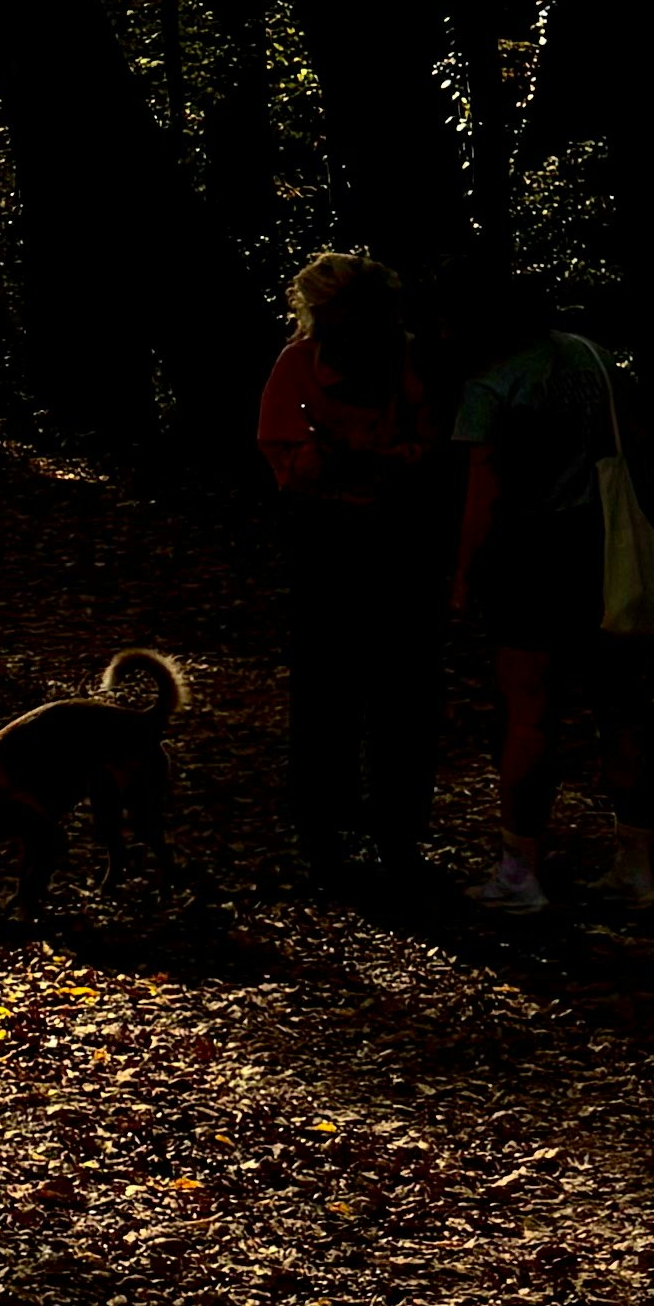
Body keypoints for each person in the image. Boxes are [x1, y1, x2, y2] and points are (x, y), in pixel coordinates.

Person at [451, 308, 654, 915]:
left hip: (531, 561)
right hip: (611, 552)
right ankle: (635, 864)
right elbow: (643, 443)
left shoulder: (491, 383)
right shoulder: (594, 358)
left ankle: (520, 870)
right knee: (624, 711)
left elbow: (484, 486)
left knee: (529, 717)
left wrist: (465, 574)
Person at [254, 249, 439, 888]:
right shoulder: (299, 362)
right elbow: (281, 451)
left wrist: (382, 460)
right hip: (329, 536)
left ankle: (397, 830)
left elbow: (436, 443)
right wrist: (337, 463)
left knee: (401, 690)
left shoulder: (410, 357)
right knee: (327, 688)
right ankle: (325, 829)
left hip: (397, 536)